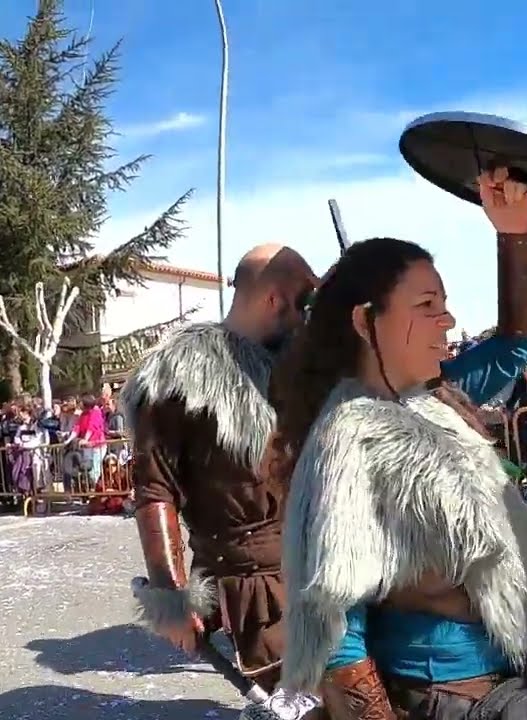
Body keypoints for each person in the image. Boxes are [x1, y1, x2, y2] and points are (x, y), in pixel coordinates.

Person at [275, 169, 527, 719]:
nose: (448, 319)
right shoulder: (351, 439)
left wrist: (515, 234)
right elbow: (335, 630)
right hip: (441, 699)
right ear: (367, 321)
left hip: (497, 680)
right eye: (427, 305)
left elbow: (518, 344)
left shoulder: (433, 394)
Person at [122, 243, 316, 700]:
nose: (307, 318)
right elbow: (155, 491)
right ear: (273, 299)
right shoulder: (180, 378)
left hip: (315, 569)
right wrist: (171, 596)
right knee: (307, 705)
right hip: (254, 584)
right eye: (302, 301)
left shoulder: (293, 367)